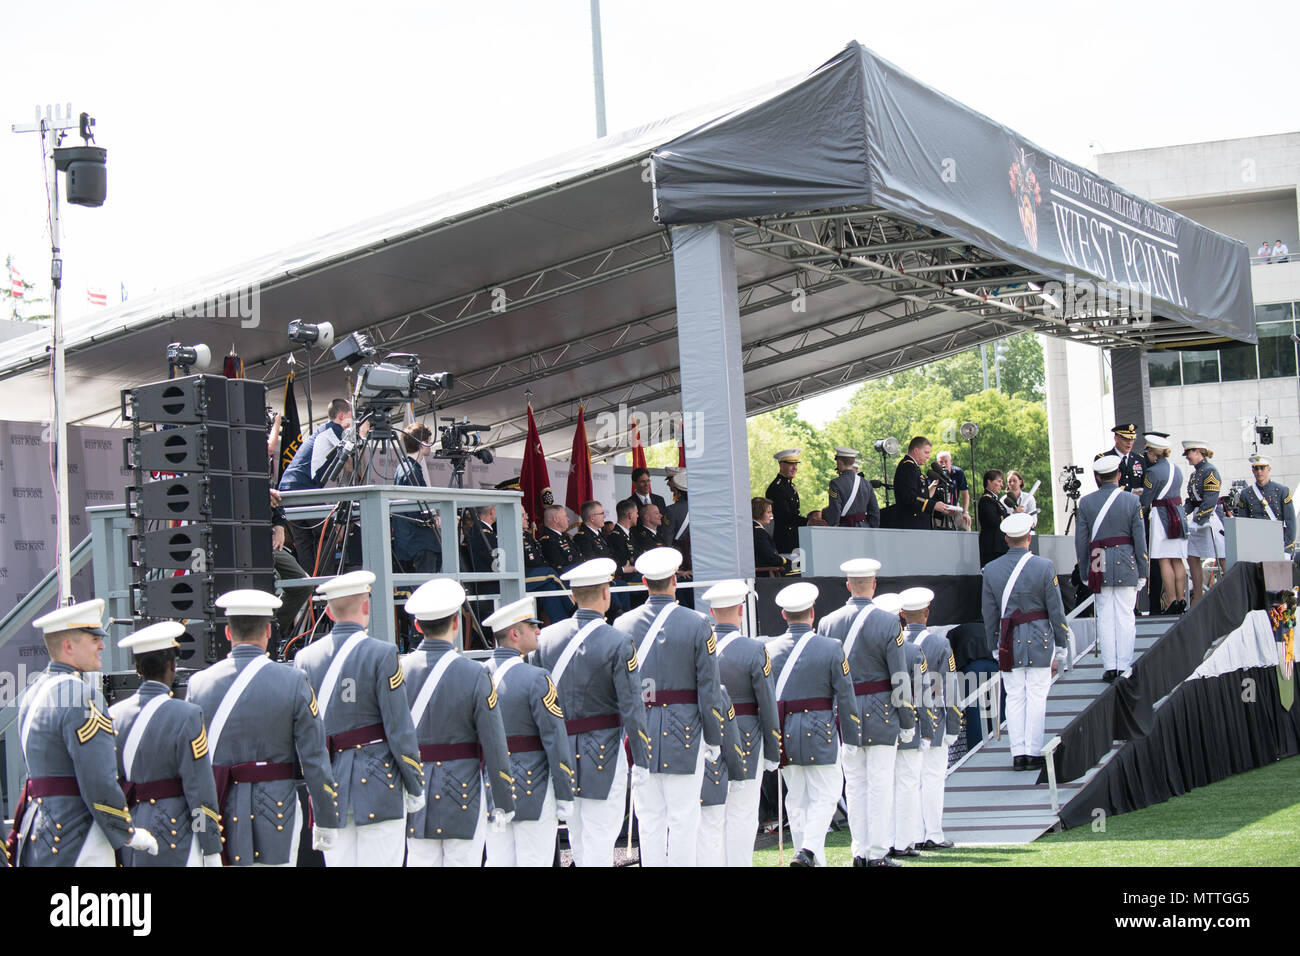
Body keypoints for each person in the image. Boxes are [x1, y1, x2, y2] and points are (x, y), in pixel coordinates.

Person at [187, 590, 339, 866]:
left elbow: (191, 764)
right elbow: (315, 759)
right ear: (268, 630)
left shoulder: (199, 684)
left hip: (220, 808)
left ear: (229, 634)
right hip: (277, 810)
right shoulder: (293, 680)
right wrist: (325, 819)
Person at [8, 600, 157, 866]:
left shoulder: (35, 692)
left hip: (40, 832)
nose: (101, 645)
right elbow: (98, 779)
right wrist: (127, 832)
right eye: (93, 639)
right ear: (68, 646)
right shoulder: (82, 696)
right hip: (78, 836)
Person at [292, 570, 426, 866]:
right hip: (379, 784)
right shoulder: (383, 654)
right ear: (366, 606)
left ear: (328, 611)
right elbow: (399, 727)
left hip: (330, 784)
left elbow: (303, 733)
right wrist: (415, 784)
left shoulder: (305, 659)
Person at [612, 547, 726, 866]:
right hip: (686, 730)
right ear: (675, 580)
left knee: (649, 821)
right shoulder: (698, 623)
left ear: (644, 581)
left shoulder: (623, 625)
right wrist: (714, 737)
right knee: (683, 819)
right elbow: (708, 687)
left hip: (640, 729)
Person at [534, 558, 651, 867]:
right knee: (600, 837)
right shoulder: (619, 641)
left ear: (572, 596)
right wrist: (642, 759)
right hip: (605, 751)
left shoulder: (544, 639)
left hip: (558, 752)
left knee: (578, 836)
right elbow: (632, 706)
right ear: (606, 593)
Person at [401, 577, 515, 866]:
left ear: (417, 626)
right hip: (463, 787)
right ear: (456, 624)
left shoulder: (397, 672)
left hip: (415, 787)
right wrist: (503, 799)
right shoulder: (475, 674)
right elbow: (494, 741)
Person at [815, 560, 915, 867]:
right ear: (874, 584)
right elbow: (899, 676)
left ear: (848, 585)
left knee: (855, 784)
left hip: (845, 713)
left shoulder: (828, 623)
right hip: (882, 710)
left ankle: (859, 851)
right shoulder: (888, 623)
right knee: (880, 784)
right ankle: (877, 853)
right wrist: (907, 720)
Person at [110, 621, 223, 867]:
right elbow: (199, 791)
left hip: (132, 832)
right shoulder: (188, 715)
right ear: (172, 665)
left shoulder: (114, 715)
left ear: (138, 669)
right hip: (177, 834)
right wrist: (210, 846)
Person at [766, 581, 861, 867]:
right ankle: (807, 851)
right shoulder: (831, 647)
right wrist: (852, 736)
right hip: (820, 729)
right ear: (812, 613)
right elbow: (846, 696)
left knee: (797, 800)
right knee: (828, 795)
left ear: (784, 615)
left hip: (785, 732)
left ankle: (811, 858)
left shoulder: (768, 649)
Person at [480, 596, 577, 867]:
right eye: (531, 626)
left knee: (499, 860)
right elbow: (554, 739)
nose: (538, 630)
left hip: (491, 786)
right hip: (534, 786)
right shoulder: (537, 678)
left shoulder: (477, 675)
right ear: (514, 634)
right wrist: (565, 791)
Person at [699, 580, 780, 867]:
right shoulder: (753, 650)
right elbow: (768, 704)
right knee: (743, 812)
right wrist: (773, 750)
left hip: (704, 737)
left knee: (711, 813)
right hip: (747, 735)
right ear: (741, 610)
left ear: (711, 611)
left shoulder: (698, 648)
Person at [981, 514, 1070, 771]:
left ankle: (1017, 752)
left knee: (1015, 697)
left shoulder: (991, 570)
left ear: (1006, 539)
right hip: (1040, 638)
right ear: (1029, 537)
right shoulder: (1044, 566)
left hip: (1008, 640)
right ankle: (1032, 751)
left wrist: (994, 645)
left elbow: (989, 613)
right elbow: (1056, 610)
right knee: (1037, 696)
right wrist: (1061, 646)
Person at [1075, 457, 1148, 682]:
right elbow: (1140, 539)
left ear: (1097, 477)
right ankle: (1124, 666)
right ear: (1118, 475)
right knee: (1126, 617)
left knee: (1105, 616)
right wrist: (1143, 570)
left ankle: (1110, 666)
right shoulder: (1132, 501)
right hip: (1126, 559)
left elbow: (1080, 541)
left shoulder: (1086, 503)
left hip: (1098, 560)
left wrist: (1085, 570)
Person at [904, 587, 961, 852]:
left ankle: (913, 834)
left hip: (904, 718)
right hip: (934, 718)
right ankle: (934, 834)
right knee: (933, 779)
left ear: (903, 615)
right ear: (926, 613)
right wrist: (953, 723)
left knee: (908, 780)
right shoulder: (939, 644)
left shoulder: (895, 645)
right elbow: (950, 687)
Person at [279, 398, 355, 571]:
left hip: (288, 488)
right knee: (327, 534)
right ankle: (324, 584)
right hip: (302, 488)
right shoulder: (333, 431)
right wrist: (360, 434)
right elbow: (350, 463)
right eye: (351, 416)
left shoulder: (322, 432)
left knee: (304, 540)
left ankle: (309, 589)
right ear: (341, 416)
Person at [1140, 434, 1189, 614]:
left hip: (1161, 517)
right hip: (1178, 514)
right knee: (1178, 560)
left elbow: (1146, 500)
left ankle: (1171, 601)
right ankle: (1182, 598)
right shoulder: (1177, 469)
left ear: (1154, 453)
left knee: (1164, 561)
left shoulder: (1152, 472)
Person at [391, 423, 442, 573]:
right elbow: (417, 511)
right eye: (428, 440)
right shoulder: (411, 471)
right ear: (422, 443)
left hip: (411, 543)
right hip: (419, 544)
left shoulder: (404, 468)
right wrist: (438, 520)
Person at [1181, 440, 1225, 605]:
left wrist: (1199, 520)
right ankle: (1198, 594)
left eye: (1189, 454)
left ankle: (1229, 592)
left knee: (1222, 556)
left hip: (1211, 518)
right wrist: (1182, 513)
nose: (1187, 458)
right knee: (1192, 555)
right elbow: (1192, 500)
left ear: (1198, 452)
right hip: (1199, 517)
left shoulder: (1210, 471)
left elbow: (1211, 500)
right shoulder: (1195, 474)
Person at [1236, 454, 1298, 562]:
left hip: (1277, 543)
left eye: (1262, 468)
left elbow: (1290, 522)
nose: (1259, 472)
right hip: (1255, 545)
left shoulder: (1282, 491)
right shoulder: (1246, 494)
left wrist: (1288, 550)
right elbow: (1243, 524)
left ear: (1269, 469)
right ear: (1252, 470)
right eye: (1256, 468)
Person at [890, 436, 953, 529]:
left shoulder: (914, 467)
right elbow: (909, 497)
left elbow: (923, 496)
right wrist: (933, 505)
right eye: (926, 452)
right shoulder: (908, 466)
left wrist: (941, 507)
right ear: (916, 450)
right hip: (912, 523)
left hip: (920, 522)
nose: (928, 456)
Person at [824, 447, 880, 527]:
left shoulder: (835, 483)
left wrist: (832, 526)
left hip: (845, 528)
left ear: (839, 461)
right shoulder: (866, 483)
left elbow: (835, 510)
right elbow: (874, 510)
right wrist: (873, 529)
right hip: (864, 528)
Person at [766, 449, 805, 553]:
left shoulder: (790, 486)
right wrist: (808, 521)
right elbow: (785, 516)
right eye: (791, 464)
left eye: (796, 464)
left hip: (795, 537)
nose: (795, 468)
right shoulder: (777, 487)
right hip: (785, 540)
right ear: (781, 465)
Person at [1095, 423, 1145, 493]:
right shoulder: (1104, 459)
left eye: (1132, 439)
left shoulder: (1139, 459)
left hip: (1136, 502)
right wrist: (1131, 491)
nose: (1129, 443)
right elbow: (1104, 486)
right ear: (1116, 439)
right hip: (1115, 500)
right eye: (1126, 439)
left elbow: (1144, 485)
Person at [978, 470, 1011, 567]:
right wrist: (1010, 515)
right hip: (992, 546)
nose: (1001, 485)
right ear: (989, 482)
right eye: (999, 481)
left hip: (999, 546)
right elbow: (993, 521)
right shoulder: (986, 499)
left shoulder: (994, 499)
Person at [752, 497, 791, 573]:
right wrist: (786, 561)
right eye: (769, 512)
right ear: (759, 512)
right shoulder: (758, 532)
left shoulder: (755, 529)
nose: (771, 515)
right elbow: (769, 557)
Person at [537, 504, 580, 573]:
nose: (568, 519)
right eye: (565, 516)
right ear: (556, 519)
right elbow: (559, 567)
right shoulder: (547, 541)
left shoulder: (564, 536)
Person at [935, 450, 972, 530]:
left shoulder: (958, 472)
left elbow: (965, 493)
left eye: (946, 461)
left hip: (955, 506)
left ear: (951, 461)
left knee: (965, 523)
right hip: (939, 509)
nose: (943, 464)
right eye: (940, 462)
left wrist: (965, 512)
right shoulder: (934, 474)